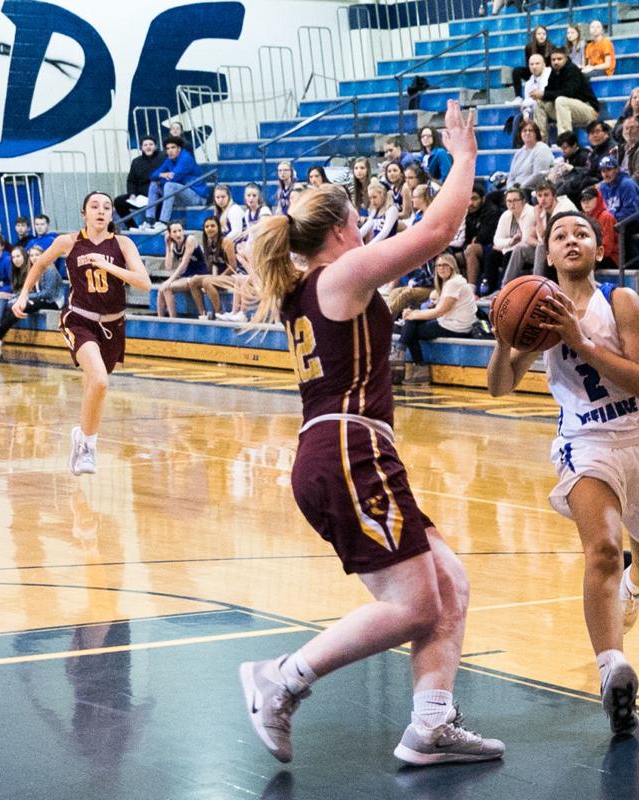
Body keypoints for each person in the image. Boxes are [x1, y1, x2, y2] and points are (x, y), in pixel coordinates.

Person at [235, 102, 505, 767]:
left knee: (450, 585)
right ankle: (283, 678)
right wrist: (464, 155)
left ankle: (431, 723)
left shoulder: (316, 286)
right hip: (350, 450)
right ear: (339, 232)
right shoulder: (342, 276)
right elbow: (440, 226)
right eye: (359, 222)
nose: (366, 231)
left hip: (344, 451)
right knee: (415, 606)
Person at [487, 208, 639, 737]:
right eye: (560, 236)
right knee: (604, 550)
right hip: (585, 444)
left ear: (598, 249)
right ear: (548, 254)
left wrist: (581, 339)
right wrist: (505, 339)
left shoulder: (621, 302)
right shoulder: (538, 309)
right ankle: (612, 670)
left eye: (582, 234)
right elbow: (500, 387)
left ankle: (633, 592)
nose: (571, 240)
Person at [12, 192, 151, 474]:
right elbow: (39, 263)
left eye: (106, 207)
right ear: (84, 213)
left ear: (112, 215)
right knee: (99, 381)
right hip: (79, 319)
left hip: (113, 325)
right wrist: (24, 293)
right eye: (94, 206)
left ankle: (80, 436)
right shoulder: (69, 241)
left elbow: (144, 283)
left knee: (94, 385)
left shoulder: (122, 244)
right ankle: (88, 446)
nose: (101, 211)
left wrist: (107, 265)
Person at [398, 254, 479, 383]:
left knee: (411, 328)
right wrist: (414, 313)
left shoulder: (454, 283)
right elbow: (439, 310)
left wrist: (413, 314)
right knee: (411, 321)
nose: (441, 268)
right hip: (450, 322)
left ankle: (406, 358)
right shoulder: (452, 282)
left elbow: (440, 312)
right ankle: (402, 353)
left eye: (445, 265)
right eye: (439, 266)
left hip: (455, 327)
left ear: (452, 266)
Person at [0, 248, 61, 348]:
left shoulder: (49, 269)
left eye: (37, 255)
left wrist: (25, 297)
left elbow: (48, 294)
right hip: (41, 299)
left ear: (43, 256)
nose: (34, 258)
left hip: (54, 301)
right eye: (32, 255)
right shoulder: (34, 269)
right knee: (16, 304)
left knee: (22, 304)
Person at [534, 49, 602, 141]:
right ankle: (540, 141)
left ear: (566, 59)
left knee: (560, 100)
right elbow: (548, 91)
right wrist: (541, 95)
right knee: (540, 102)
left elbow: (568, 93)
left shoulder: (572, 69)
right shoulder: (554, 72)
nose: (556, 62)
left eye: (559, 59)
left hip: (588, 109)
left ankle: (565, 140)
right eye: (553, 60)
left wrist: (543, 94)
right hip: (567, 110)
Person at [142, 135, 204, 232]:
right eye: (167, 148)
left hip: (196, 196)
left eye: (173, 147)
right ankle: (149, 220)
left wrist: (163, 177)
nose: (170, 151)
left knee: (169, 185)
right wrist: (162, 174)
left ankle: (164, 222)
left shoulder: (186, 158)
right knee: (154, 184)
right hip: (181, 194)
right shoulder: (169, 160)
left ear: (179, 149)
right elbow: (152, 176)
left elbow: (174, 177)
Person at [491, 186, 538, 290]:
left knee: (509, 254)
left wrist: (505, 246)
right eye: (509, 201)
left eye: (515, 200)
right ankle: (488, 291)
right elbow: (496, 240)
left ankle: (505, 289)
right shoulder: (506, 215)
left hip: (531, 250)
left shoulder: (530, 213)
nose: (512, 204)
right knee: (492, 255)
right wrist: (510, 242)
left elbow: (526, 240)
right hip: (511, 248)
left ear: (524, 201)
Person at [156, 221, 207, 318]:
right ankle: (160, 320)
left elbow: (184, 263)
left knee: (167, 288)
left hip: (199, 273)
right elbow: (168, 266)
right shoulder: (172, 245)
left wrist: (169, 281)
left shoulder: (190, 240)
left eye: (180, 230)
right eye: (174, 232)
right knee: (160, 289)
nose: (178, 234)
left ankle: (173, 320)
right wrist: (167, 246)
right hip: (187, 274)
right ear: (170, 234)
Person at [114, 135, 164, 227]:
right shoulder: (136, 162)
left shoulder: (163, 158)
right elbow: (131, 181)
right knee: (119, 201)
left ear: (156, 146)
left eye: (151, 144)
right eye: (145, 145)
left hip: (158, 193)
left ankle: (155, 224)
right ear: (141, 147)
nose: (148, 147)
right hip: (141, 196)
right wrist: (132, 194)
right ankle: (132, 227)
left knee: (160, 200)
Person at [462, 184, 502, 293]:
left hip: (493, 248)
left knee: (471, 249)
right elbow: (464, 239)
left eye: (474, 199)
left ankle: (471, 290)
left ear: (483, 199)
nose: (471, 203)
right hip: (476, 246)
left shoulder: (492, 211)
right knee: (452, 255)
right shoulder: (468, 213)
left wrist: (476, 239)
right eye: (468, 199)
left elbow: (485, 237)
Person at [197, 216, 237, 320]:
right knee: (193, 281)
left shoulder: (227, 242)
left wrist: (218, 278)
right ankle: (203, 313)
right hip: (221, 276)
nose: (209, 228)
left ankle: (220, 313)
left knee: (206, 282)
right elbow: (214, 264)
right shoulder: (209, 243)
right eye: (207, 227)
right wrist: (215, 277)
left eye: (212, 226)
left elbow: (233, 266)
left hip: (236, 276)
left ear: (218, 227)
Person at [509, 119, 556, 189]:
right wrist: (510, 188)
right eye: (524, 131)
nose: (527, 133)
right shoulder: (519, 153)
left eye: (530, 130)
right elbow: (511, 177)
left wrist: (520, 188)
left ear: (536, 134)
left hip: (531, 189)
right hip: (516, 189)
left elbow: (537, 175)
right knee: (492, 196)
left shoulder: (542, 149)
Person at [513, 53, 550, 142]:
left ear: (544, 65)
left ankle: (540, 142)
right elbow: (527, 102)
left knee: (536, 109)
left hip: (548, 107)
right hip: (533, 109)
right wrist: (526, 112)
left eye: (537, 63)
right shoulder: (529, 83)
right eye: (532, 64)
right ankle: (518, 147)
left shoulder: (549, 76)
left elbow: (542, 97)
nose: (534, 66)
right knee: (518, 118)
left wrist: (527, 104)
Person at [581, 186, 619, 270]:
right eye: (583, 200)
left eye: (589, 199)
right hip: (592, 254)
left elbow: (607, 248)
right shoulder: (583, 218)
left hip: (610, 257)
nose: (586, 202)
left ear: (598, 199)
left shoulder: (606, 217)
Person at [512, 25, 553, 97]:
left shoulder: (551, 47)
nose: (542, 36)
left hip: (546, 73)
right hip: (533, 71)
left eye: (544, 34)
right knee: (516, 71)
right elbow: (528, 64)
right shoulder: (529, 47)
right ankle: (518, 97)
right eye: (539, 34)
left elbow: (551, 66)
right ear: (535, 35)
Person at [360, 180, 400, 245]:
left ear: (383, 195)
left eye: (375, 197)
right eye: (370, 198)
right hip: (378, 246)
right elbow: (365, 228)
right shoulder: (374, 212)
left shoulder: (391, 209)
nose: (372, 201)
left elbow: (385, 232)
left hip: (389, 246)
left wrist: (369, 246)